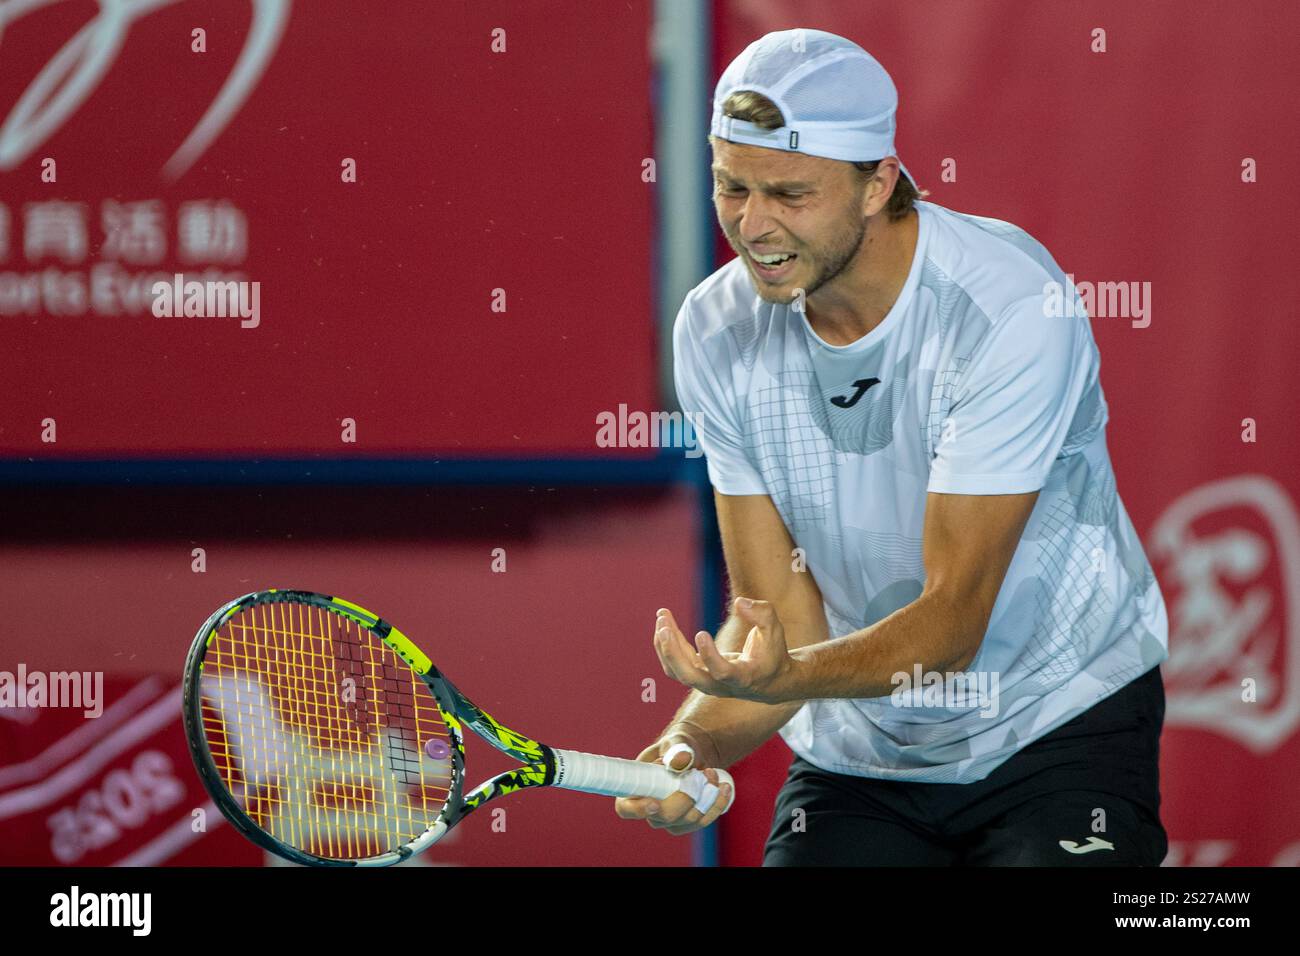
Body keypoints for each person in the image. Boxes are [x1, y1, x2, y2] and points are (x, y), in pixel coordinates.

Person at [614, 28, 1169, 866]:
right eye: (732, 186)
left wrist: (780, 679)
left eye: (789, 194)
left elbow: (950, 629)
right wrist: (691, 744)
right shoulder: (714, 329)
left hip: (1057, 724)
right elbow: (778, 621)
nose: (751, 225)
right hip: (860, 754)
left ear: (878, 183)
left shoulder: (1008, 307)